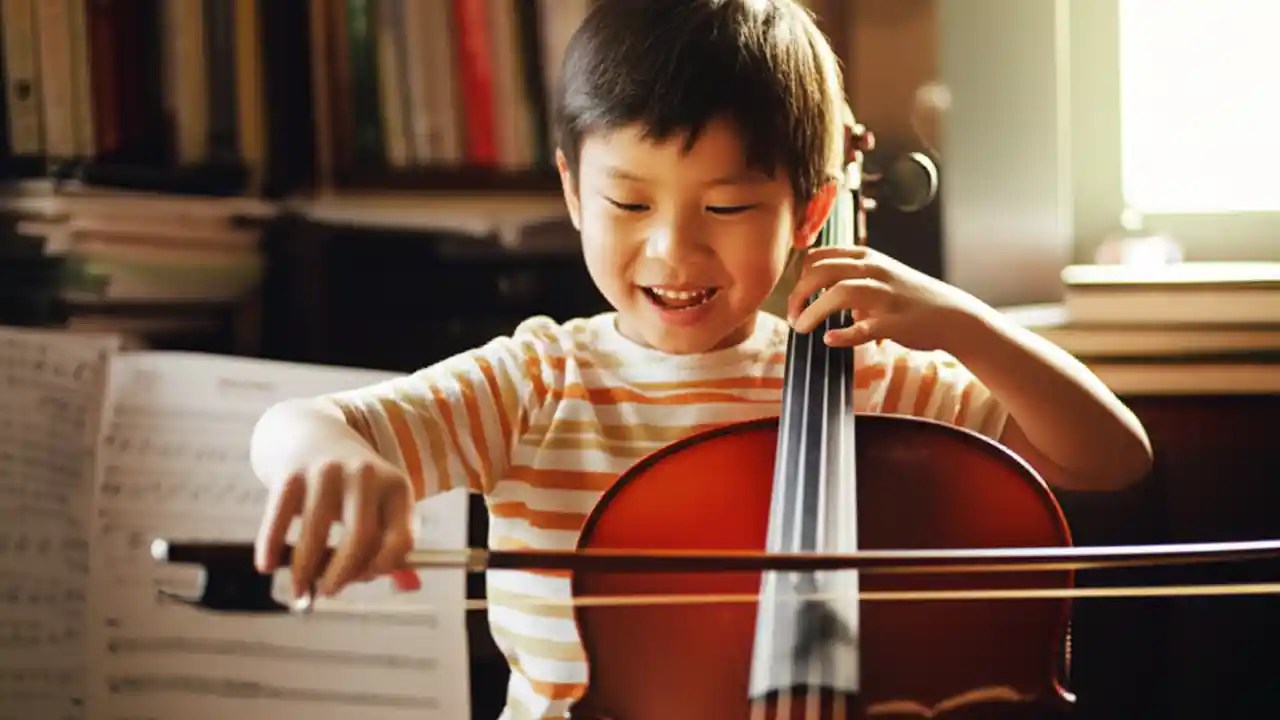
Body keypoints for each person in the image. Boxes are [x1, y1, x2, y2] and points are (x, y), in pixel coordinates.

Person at [249, 1, 1153, 717]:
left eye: (725, 208)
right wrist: (326, 454)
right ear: (571, 190)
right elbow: (309, 424)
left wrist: (964, 323)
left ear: (807, 213)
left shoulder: (871, 376)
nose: (675, 254)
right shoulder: (537, 385)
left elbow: (1110, 457)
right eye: (629, 203)